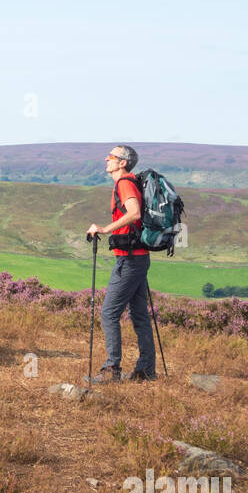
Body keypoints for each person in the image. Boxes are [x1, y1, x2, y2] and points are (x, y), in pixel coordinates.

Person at [85, 145, 156, 382]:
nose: (107, 158)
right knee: (139, 316)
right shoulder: (128, 182)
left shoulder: (124, 183)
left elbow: (134, 212)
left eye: (112, 156)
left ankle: (111, 370)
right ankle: (146, 371)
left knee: (108, 313)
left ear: (123, 162)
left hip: (130, 259)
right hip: (138, 257)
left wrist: (104, 228)